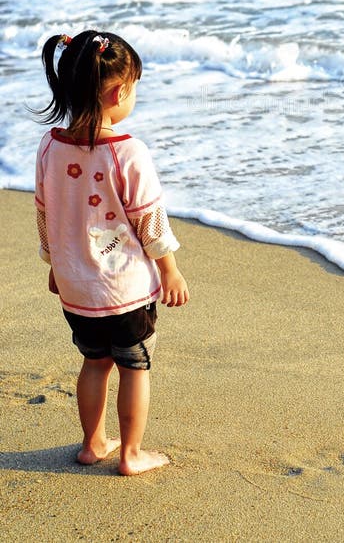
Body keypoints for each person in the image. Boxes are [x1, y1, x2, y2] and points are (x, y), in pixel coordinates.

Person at [34, 29, 189, 476]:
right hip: (125, 289)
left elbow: (45, 213)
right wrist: (171, 270)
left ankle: (92, 443)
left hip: (75, 290)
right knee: (135, 368)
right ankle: (131, 454)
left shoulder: (49, 145)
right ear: (119, 91)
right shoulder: (128, 151)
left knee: (94, 363)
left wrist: (54, 265)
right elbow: (149, 219)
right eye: (134, 87)